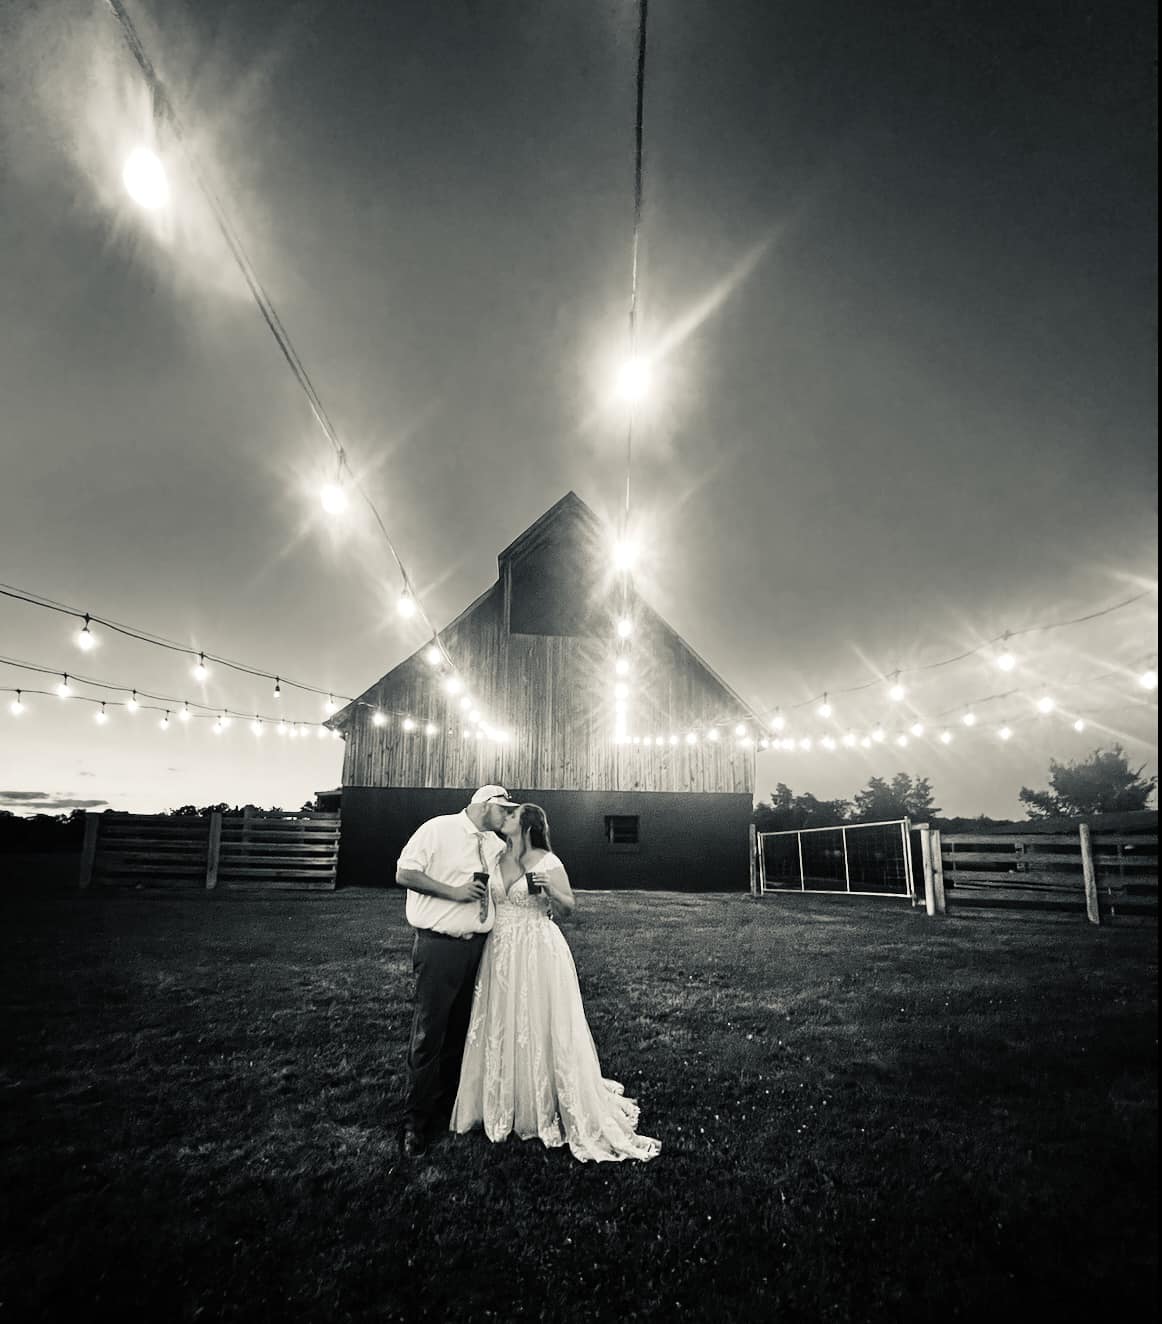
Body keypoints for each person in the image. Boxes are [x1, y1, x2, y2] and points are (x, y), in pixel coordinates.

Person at [450, 803, 661, 1163]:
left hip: (538, 950)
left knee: (540, 1021)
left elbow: (569, 908)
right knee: (501, 1020)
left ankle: (544, 1099)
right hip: (501, 950)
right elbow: (487, 900)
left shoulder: (548, 862)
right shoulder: (496, 857)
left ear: (527, 826)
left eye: (512, 816)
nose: (506, 820)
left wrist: (552, 893)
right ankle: (501, 1100)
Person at [395, 784, 520, 1158]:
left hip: (478, 949)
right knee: (430, 1032)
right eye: (504, 810)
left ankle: (451, 1104)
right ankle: (416, 1122)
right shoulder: (438, 829)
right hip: (439, 946)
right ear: (485, 805)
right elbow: (405, 873)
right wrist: (454, 893)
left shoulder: (494, 845)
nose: (507, 816)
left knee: (463, 1030)